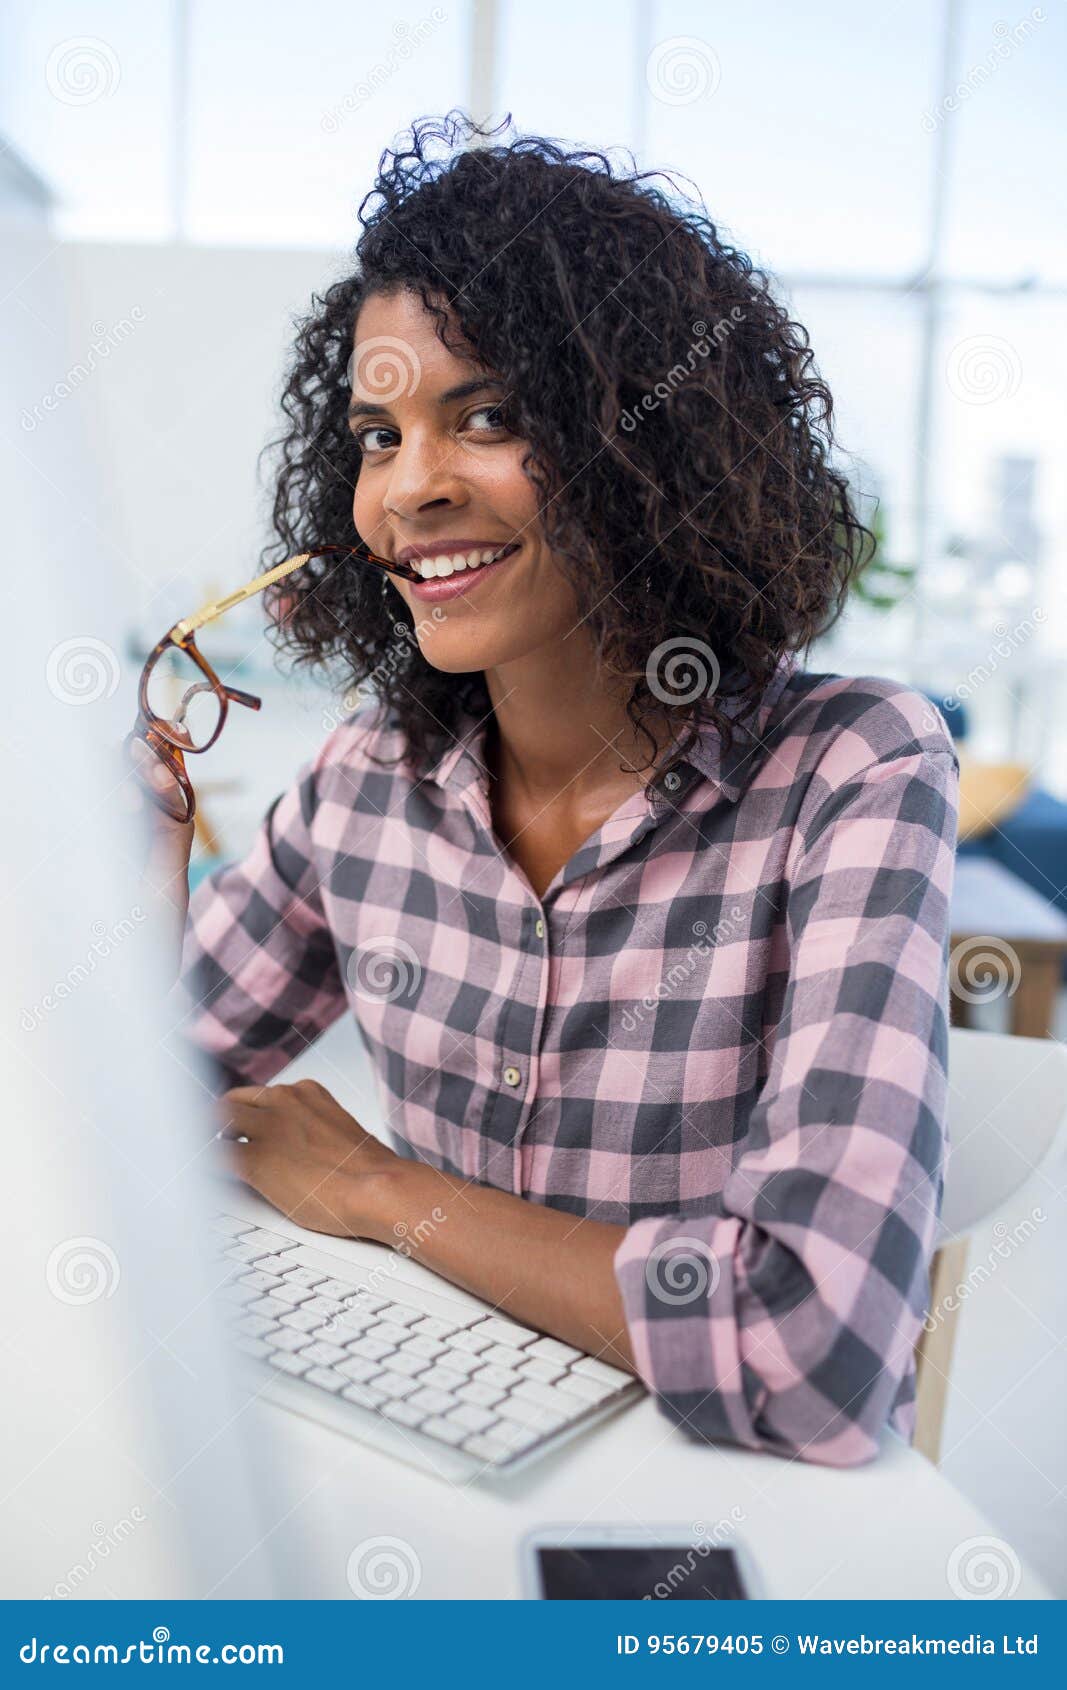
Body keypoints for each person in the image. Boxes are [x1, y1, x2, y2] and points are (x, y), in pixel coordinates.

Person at [138, 115, 959, 1467]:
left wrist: (376, 1188)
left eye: (490, 419)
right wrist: (129, 904)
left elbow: (811, 1347)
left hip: (724, 1512)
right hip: (442, 1448)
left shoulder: (851, 772)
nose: (410, 491)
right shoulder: (365, 787)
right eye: (376, 435)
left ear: (654, 439)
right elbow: (109, 1119)